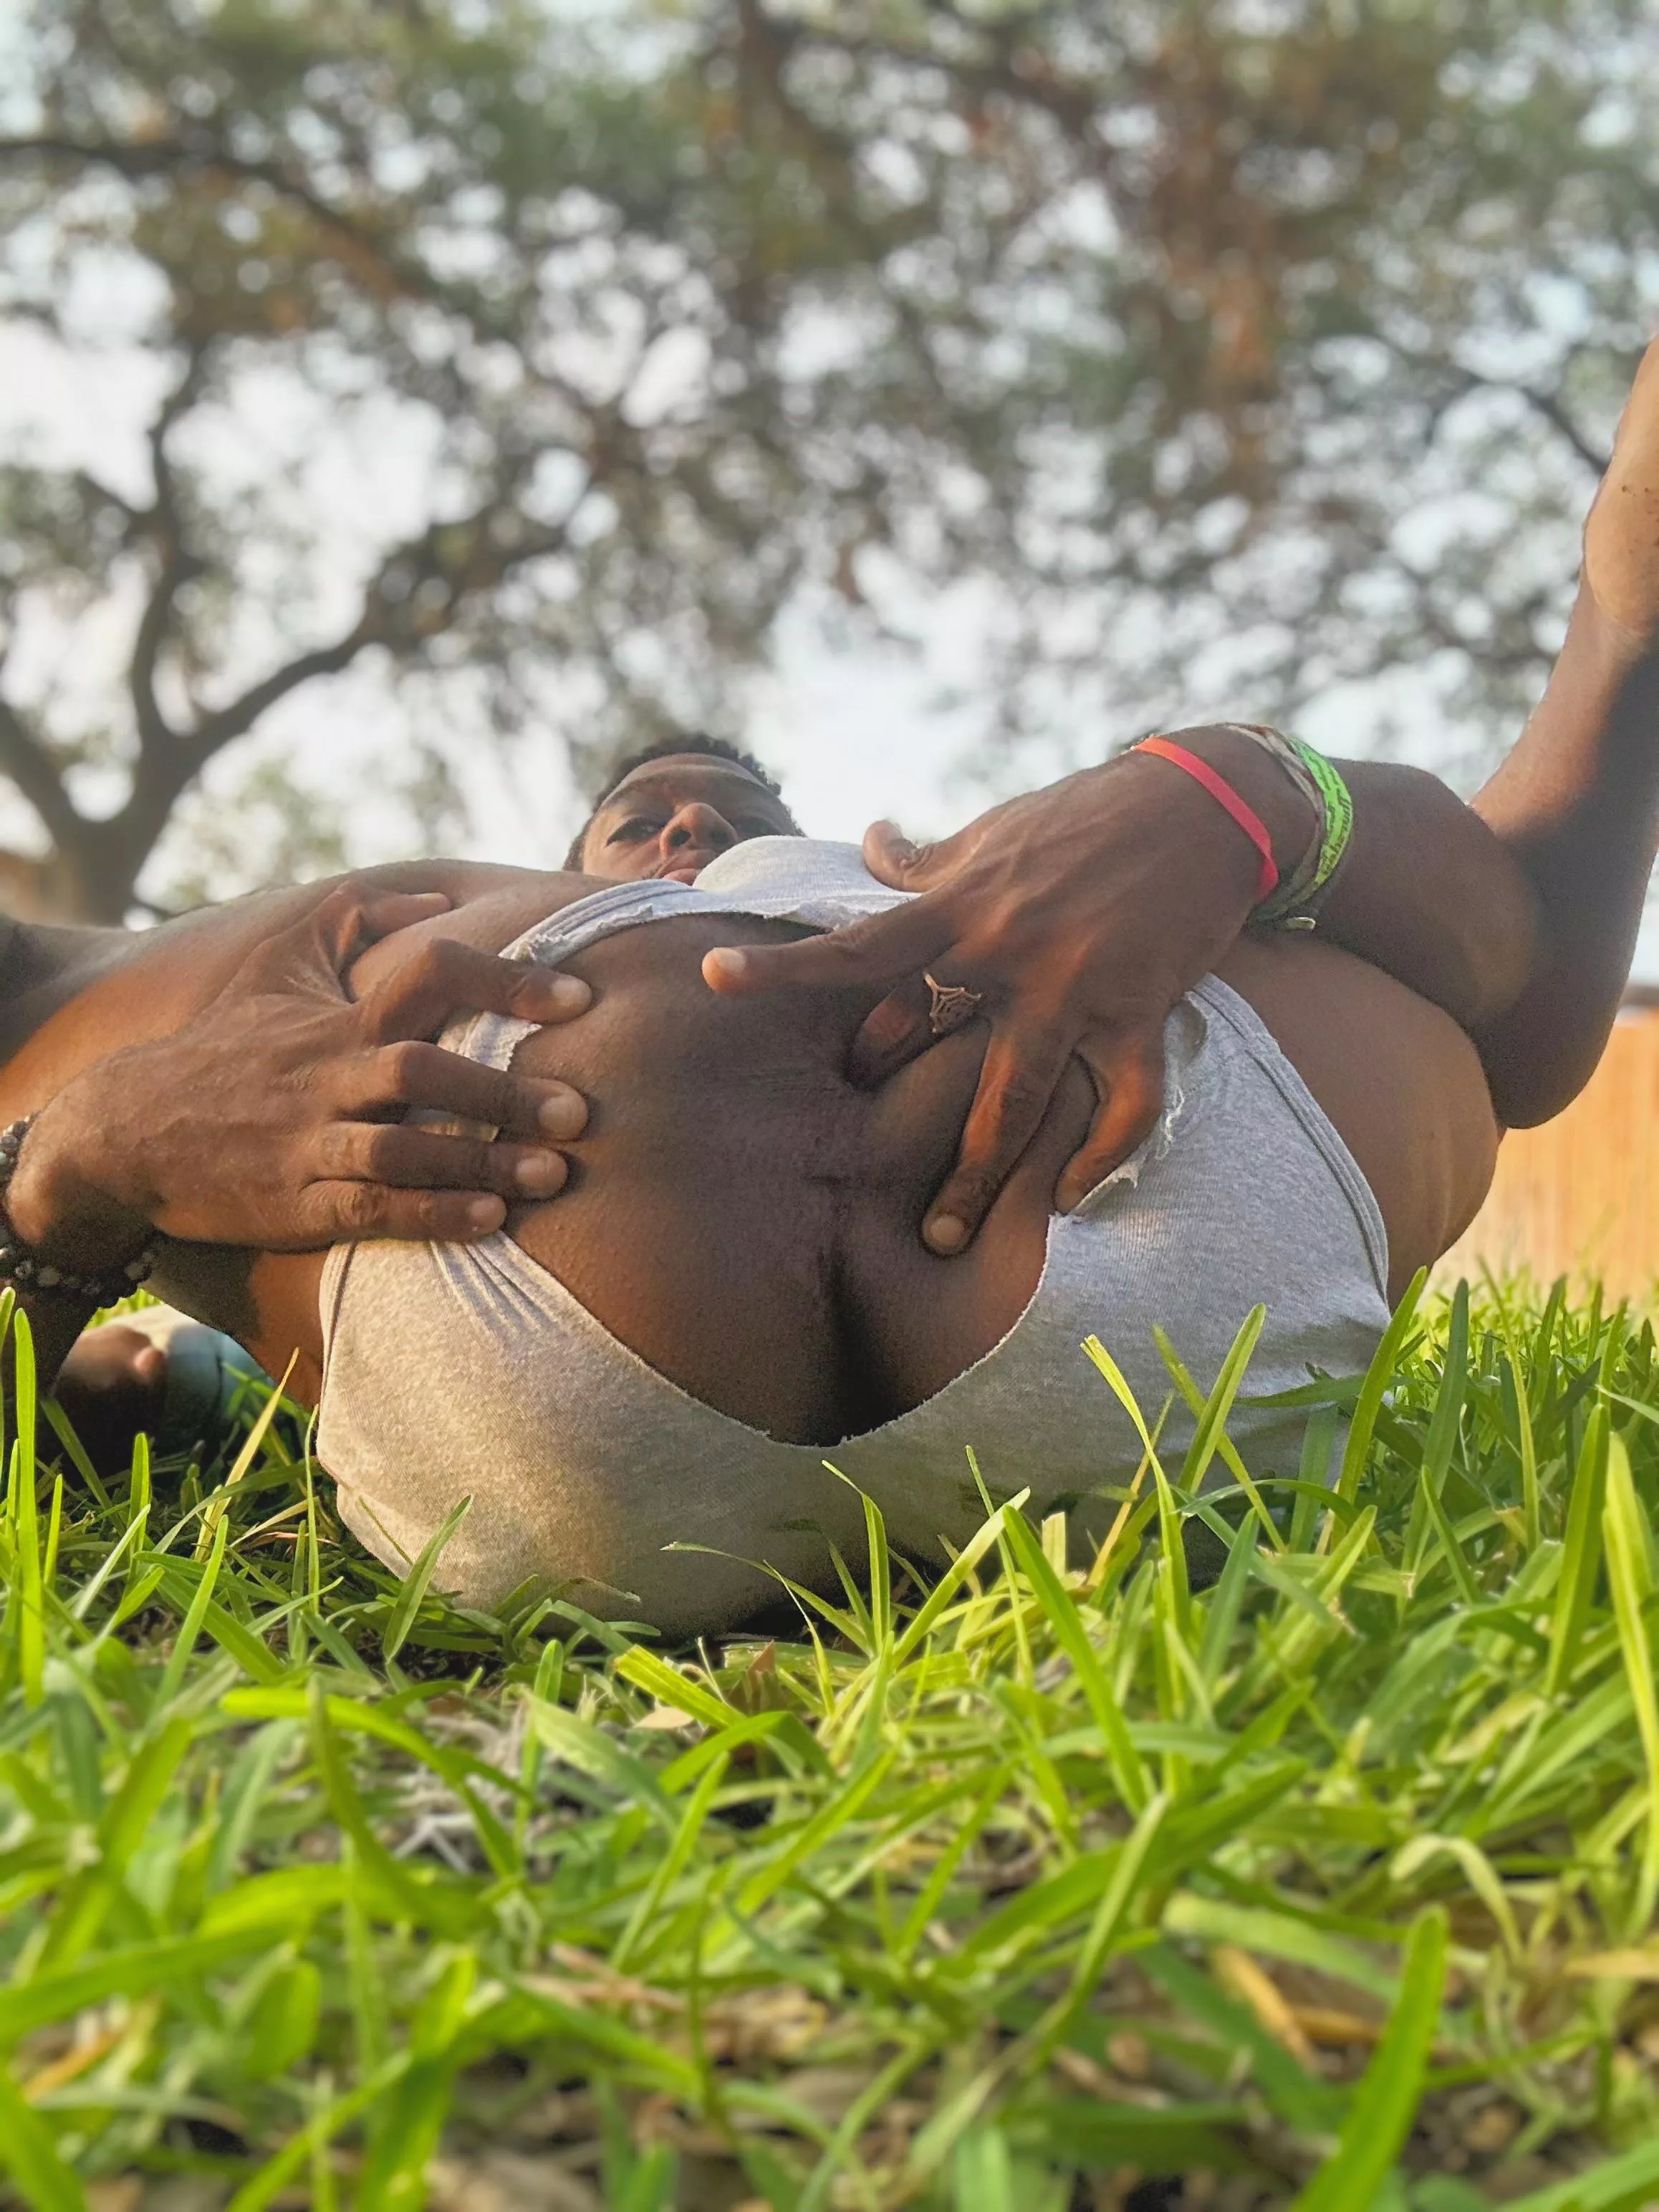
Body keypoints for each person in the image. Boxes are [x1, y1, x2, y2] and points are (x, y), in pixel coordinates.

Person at [4, 342, 1658, 1632]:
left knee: (1484, 983)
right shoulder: (431, 945)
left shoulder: (954, 881)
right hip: (518, 1328)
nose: (680, 824)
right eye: (636, 814)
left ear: (808, 851)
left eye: (724, 812)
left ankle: (1616, 636)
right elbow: (1517, 999)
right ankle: (1623, 636)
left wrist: (1226, 800)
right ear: (576, 862)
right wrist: (75, 1167)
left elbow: (1520, 993)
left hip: (1173, 1229)